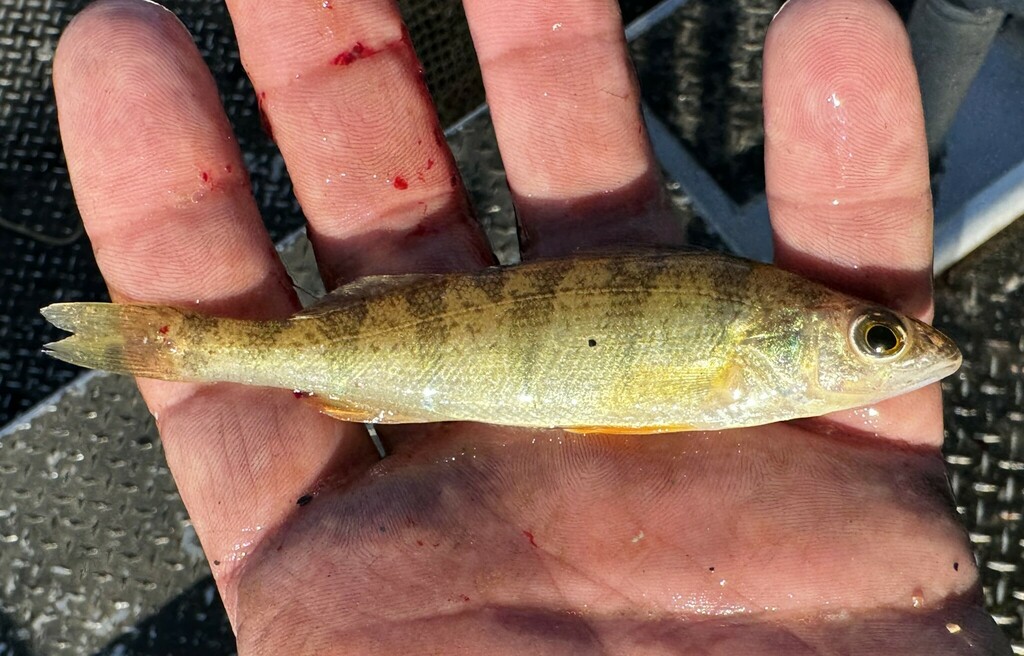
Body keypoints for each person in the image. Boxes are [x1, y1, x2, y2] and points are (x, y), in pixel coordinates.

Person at [52, 0, 1010, 652]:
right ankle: (179, 341)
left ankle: (183, 343)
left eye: (882, 339)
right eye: (873, 340)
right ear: (782, 339)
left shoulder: (760, 341)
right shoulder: (749, 348)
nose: (908, 354)